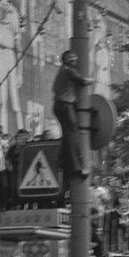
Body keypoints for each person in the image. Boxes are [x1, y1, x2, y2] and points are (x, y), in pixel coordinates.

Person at [52, 50, 93, 178]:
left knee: (67, 135)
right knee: (72, 135)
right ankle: (76, 167)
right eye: (71, 57)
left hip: (60, 105)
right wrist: (92, 79)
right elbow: (83, 80)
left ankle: (63, 162)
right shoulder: (68, 71)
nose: (74, 58)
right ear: (65, 60)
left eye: (75, 56)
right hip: (65, 105)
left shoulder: (61, 73)